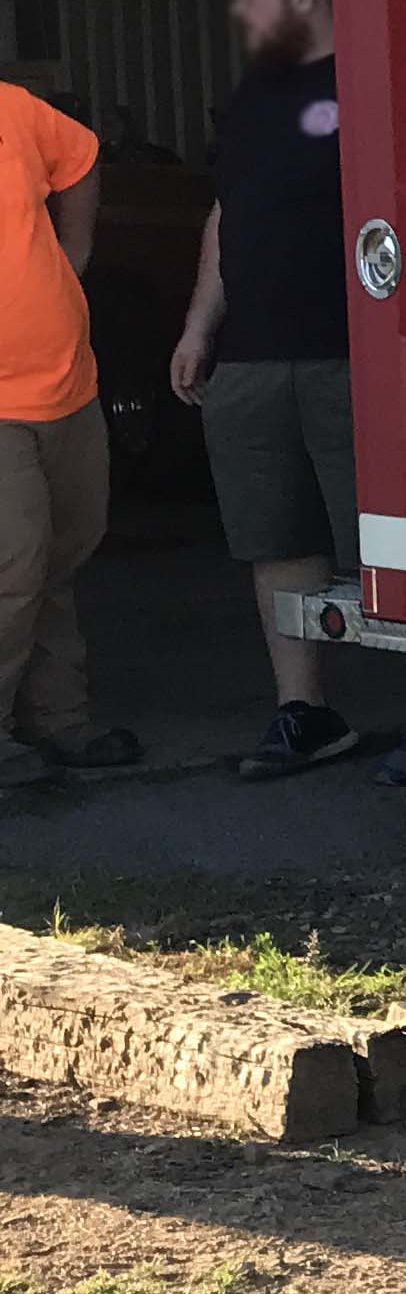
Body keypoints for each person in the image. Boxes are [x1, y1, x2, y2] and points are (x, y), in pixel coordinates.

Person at [164, 0, 406, 787]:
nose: (240, 10)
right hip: (254, 360)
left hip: (357, 356)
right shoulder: (249, 100)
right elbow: (226, 214)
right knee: (276, 538)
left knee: (399, 539)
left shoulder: (379, 82)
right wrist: (199, 328)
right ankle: (305, 713)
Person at [0, 75, 140, 787]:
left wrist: (72, 254)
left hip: (66, 384)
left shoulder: (13, 109)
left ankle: (56, 718)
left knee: (62, 554)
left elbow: (80, 159)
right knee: (15, 564)